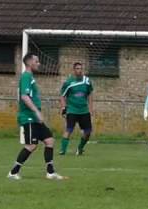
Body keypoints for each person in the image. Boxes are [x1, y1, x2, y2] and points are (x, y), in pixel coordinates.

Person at [8, 53, 64, 181]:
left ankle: (50, 173)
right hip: (29, 117)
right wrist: (36, 112)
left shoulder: (30, 77)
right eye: (37, 61)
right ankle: (13, 172)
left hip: (34, 118)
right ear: (29, 63)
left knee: (49, 141)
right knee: (31, 145)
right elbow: (24, 96)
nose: (39, 64)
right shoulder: (26, 77)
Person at [58, 61, 94, 155]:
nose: (80, 71)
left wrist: (90, 108)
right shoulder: (69, 82)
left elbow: (90, 94)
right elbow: (62, 95)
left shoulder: (87, 81)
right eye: (77, 69)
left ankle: (80, 148)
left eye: (81, 69)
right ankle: (62, 150)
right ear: (74, 70)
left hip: (84, 111)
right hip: (72, 110)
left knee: (88, 132)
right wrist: (63, 107)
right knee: (69, 130)